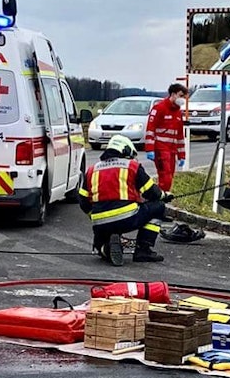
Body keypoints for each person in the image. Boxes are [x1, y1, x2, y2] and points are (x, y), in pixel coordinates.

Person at [80, 135, 167, 266]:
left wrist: (94, 216)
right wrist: (164, 195)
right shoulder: (132, 166)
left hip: (100, 222)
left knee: (100, 245)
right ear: (125, 150)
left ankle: (106, 249)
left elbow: (83, 201)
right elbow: (152, 193)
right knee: (158, 207)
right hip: (127, 218)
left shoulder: (92, 170)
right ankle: (143, 250)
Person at [145, 84, 188, 192]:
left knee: (170, 176)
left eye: (184, 97)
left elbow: (179, 136)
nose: (182, 99)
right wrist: (150, 149)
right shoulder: (159, 108)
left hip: (172, 150)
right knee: (165, 176)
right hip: (160, 148)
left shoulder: (178, 112)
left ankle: (162, 197)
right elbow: (150, 129)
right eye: (181, 96)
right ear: (173, 94)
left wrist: (181, 155)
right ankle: (162, 199)